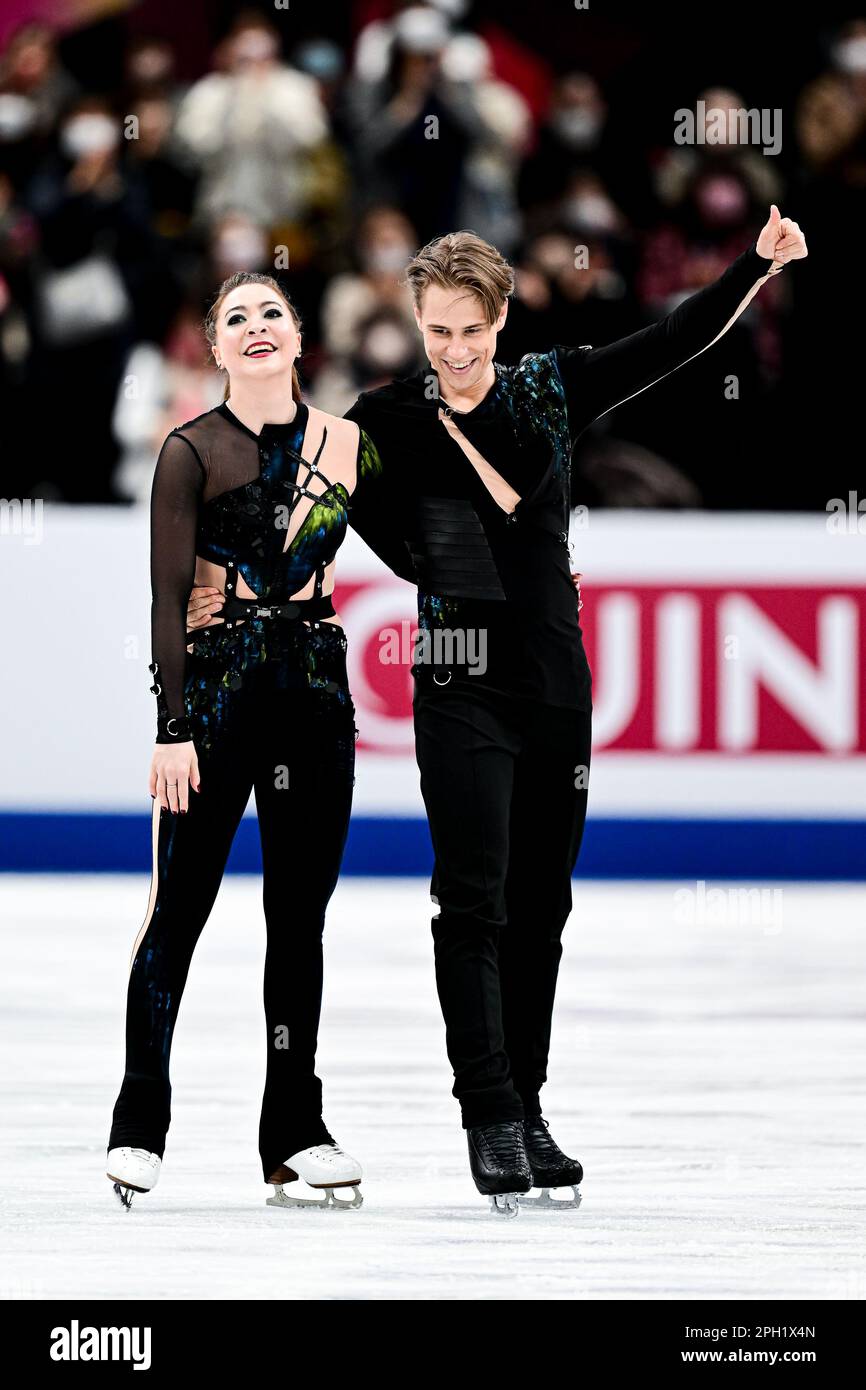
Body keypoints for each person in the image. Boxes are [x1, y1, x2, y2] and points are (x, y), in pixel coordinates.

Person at [187, 207, 807, 1215]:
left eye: (471, 331)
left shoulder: (547, 389)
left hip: (555, 682)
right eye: (438, 332)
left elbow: (675, 336)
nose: (457, 350)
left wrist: (755, 262)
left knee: (542, 905)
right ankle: (485, 1114)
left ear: (499, 320)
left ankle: (527, 1105)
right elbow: (319, 522)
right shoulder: (383, 420)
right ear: (417, 323)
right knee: (471, 898)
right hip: (455, 680)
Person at [106, 271, 386, 1211]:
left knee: (297, 915)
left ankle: (293, 1132)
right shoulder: (189, 451)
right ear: (214, 349)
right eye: (236, 319)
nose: (256, 327)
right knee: (178, 909)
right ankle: (140, 1122)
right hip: (218, 696)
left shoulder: (348, 446)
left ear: (301, 336)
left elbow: (424, 545)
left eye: (272, 313)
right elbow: (163, 597)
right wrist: (170, 728)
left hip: (314, 689)